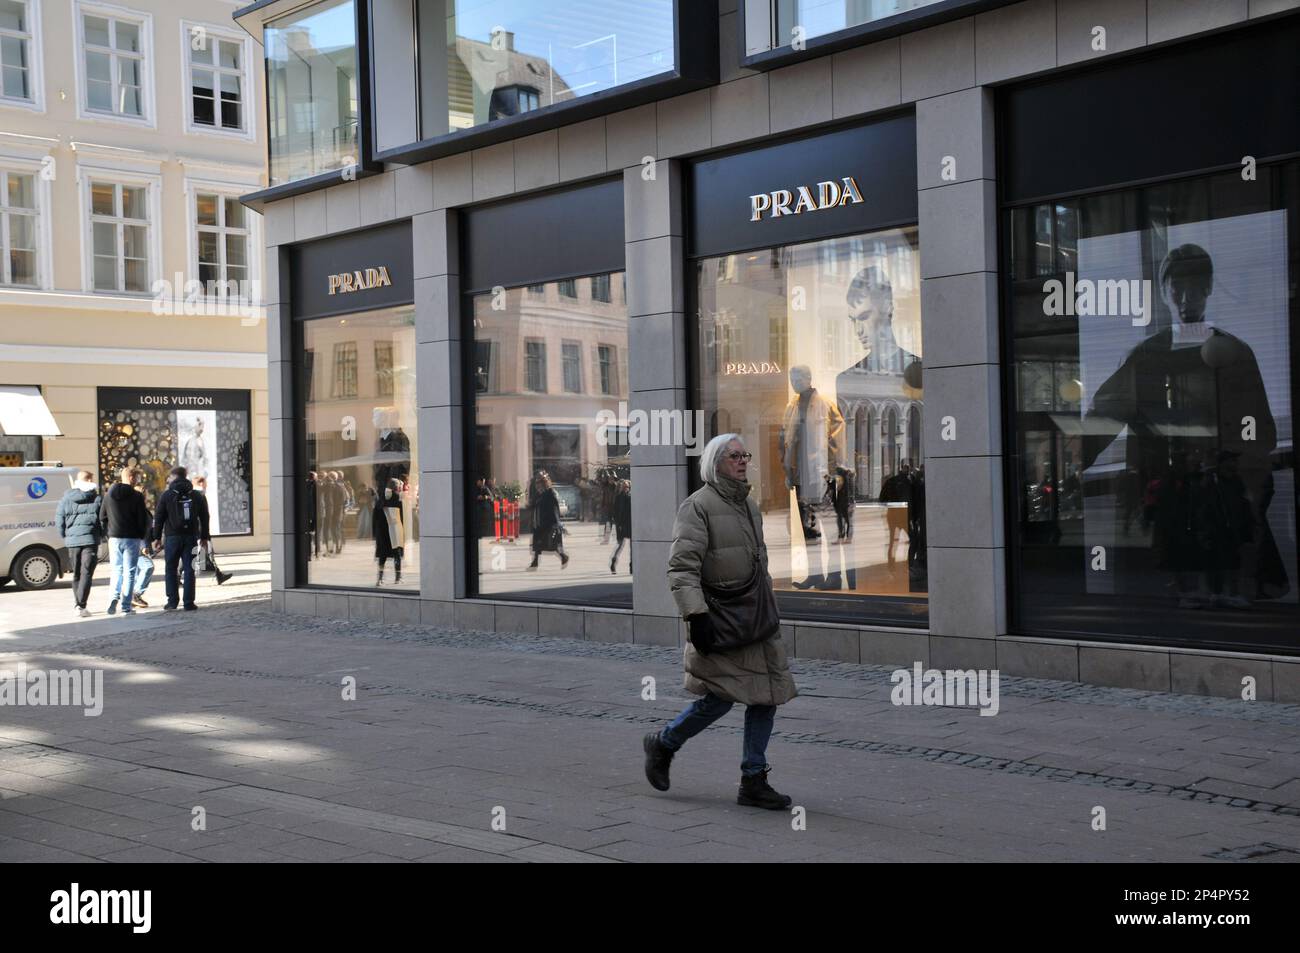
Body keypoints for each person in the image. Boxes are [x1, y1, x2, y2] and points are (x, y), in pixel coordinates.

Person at [645, 433, 798, 809]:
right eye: (734, 455)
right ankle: (664, 743)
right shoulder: (697, 506)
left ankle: (753, 779)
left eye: (745, 454)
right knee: (718, 699)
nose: (742, 460)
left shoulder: (750, 505)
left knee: (766, 697)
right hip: (722, 620)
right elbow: (682, 569)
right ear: (715, 462)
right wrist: (696, 617)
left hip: (758, 619)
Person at [150, 466, 210, 611]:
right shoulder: (197, 495)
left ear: (174, 477)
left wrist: (156, 537)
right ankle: (189, 602)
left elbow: (159, 517)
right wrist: (204, 536)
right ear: (185, 476)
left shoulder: (167, 495)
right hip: (191, 536)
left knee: (170, 568)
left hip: (172, 537)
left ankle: (172, 602)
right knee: (190, 569)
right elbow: (205, 516)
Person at [101, 466, 151, 615]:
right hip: (131, 538)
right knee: (130, 573)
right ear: (131, 478)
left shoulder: (108, 495)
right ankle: (126, 606)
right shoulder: (136, 497)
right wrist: (141, 536)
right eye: (136, 478)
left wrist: (108, 533)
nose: (137, 480)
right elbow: (142, 519)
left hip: (114, 537)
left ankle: (113, 598)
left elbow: (102, 517)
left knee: (116, 570)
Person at [56, 470, 104, 617]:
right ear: (89, 480)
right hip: (90, 540)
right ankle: (81, 605)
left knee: (77, 573)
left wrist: (66, 536)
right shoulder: (97, 499)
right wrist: (101, 535)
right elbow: (102, 520)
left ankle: (78, 604)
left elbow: (59, 520)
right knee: (86, 572)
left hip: (72, 541)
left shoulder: (66, 498)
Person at [191, 476, 232, 586]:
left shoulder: (192, 494)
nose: (206, 485)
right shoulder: (200, 495)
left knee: (200, 552)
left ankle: (219, 575)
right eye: (205, 483)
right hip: (201, 531)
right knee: (203, 552)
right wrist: (204, 533)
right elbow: (204, 516)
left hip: (197, 530)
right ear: (201, 483)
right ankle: (219, 575)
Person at [527, 472, 568, 570]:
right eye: (537, 483)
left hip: (548, 523)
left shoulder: (550, 493)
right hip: (539, 523)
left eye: (540, 482)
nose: (538, 485)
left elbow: (555, 510)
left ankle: (563, 556)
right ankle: (535, 562)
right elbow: (534, 506)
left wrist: (557, 524)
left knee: (550, 544)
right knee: (537, 543)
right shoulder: (539, 494)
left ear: (544, 482)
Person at [374, 477, 406, 585]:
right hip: (394, 530)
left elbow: (375, 516)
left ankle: (380, 578)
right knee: (396, 553)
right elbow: (403, 516)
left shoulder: (381, 497)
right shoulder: (398, 498)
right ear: (397, 487)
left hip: (382, 531)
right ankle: (398, 578)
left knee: (382, 555)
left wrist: (375, 533)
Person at [610, 479, 632, 574]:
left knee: (628, 546)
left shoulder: (619, 497)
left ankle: (631, 565)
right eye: (624, 487)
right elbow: (617, 512)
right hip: (625, 524)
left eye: (627, 487)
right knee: (621, 545)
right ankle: (614, 561)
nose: (626, 488)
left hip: (626, 524)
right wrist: (618, 524)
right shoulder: (624, 497)